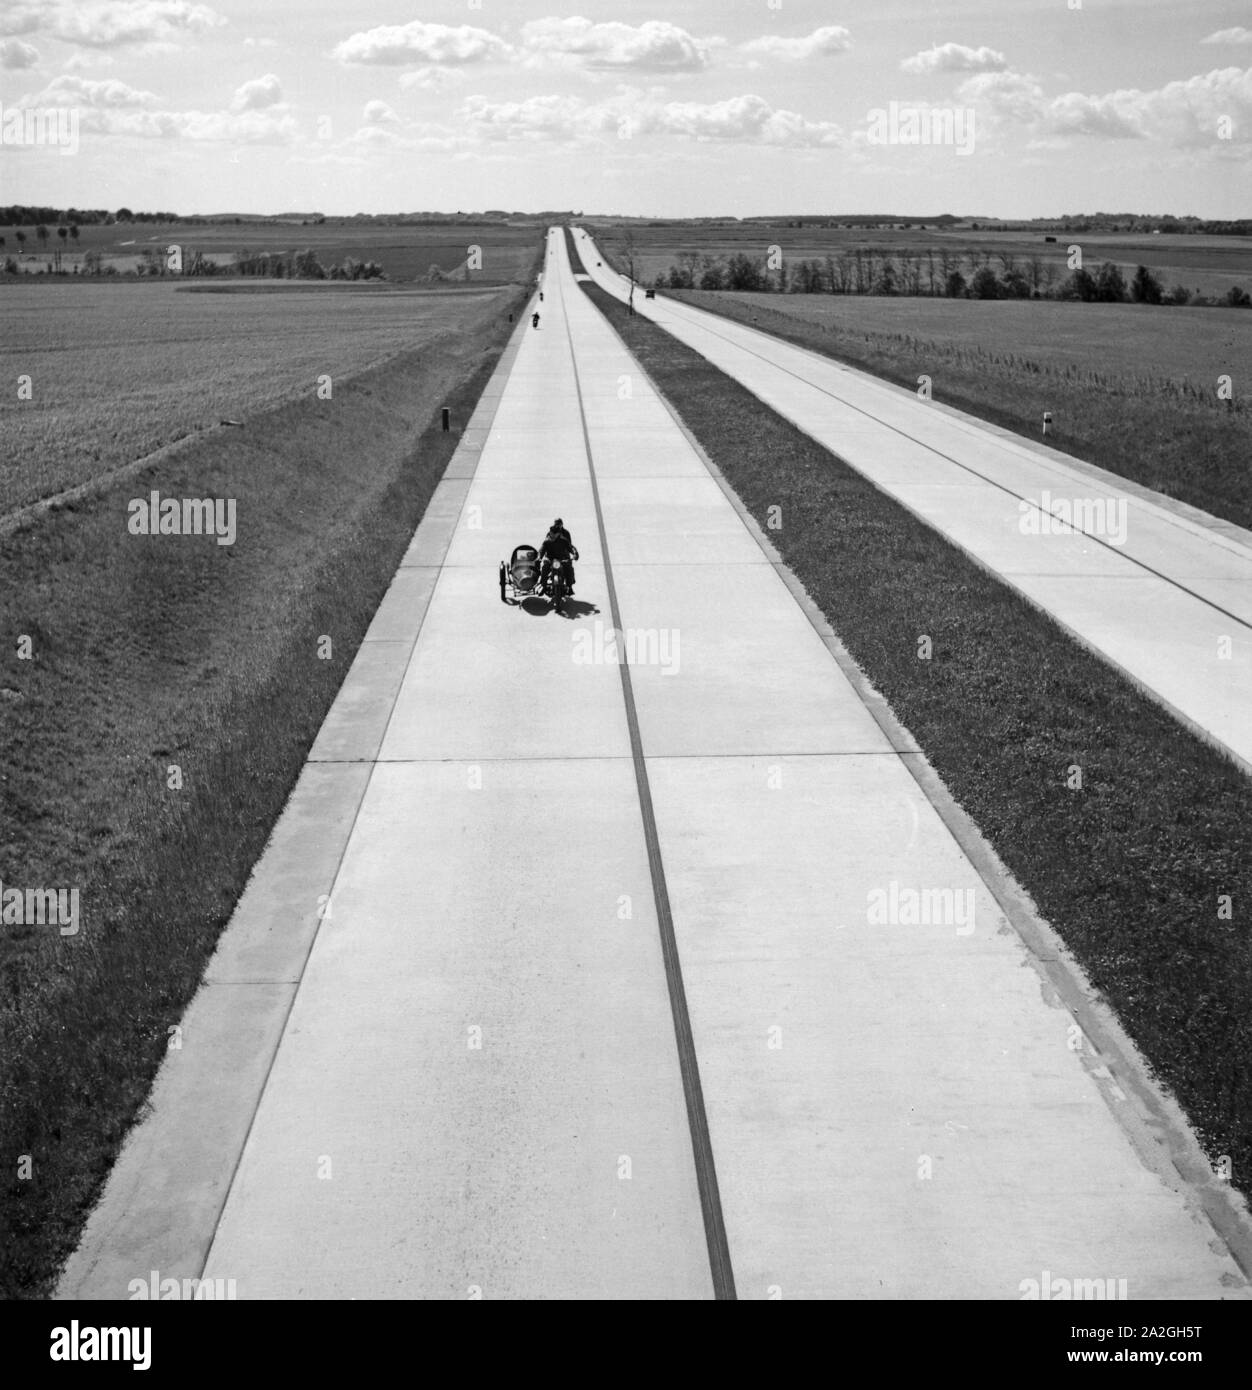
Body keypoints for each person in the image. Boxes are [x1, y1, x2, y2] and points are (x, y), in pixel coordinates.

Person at [538, 518, 578, 596]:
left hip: (562, 558)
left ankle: (569, 586)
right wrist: (539, 557)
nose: (552, 535)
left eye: (554, 534)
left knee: (569, 568)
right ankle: (543, 586)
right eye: (551, 533)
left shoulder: (564, 539)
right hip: (550, 559)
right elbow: (542, 549)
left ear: (558, 534)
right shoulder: (547, 540)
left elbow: (570, 547)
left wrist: (575, 554)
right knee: (544, 567)